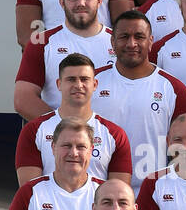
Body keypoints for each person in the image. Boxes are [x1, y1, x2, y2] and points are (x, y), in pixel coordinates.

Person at [92, 9, 186, 190]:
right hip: (99, 193)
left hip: (154, 193)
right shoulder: (92, 83)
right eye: (124, 37)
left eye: (139, 36)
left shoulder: (174, 89)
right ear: (112, 42)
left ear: (150, 41)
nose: (132, 43)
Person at [14, 52, 132, 186]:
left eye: (84, 79)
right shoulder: (34, 131)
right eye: (71, 79)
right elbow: (30, 193)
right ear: (59, 84)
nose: (78, 85)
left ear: (95, 84)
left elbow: (119, 194)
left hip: (96, 207)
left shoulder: (115, 135)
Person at [14, 0, 115, 119]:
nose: (81, 3)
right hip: (63, 139)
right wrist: (64, 129)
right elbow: (23, 99)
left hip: (111, 138)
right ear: (62, 2)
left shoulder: (119, 42)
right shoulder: (42, 42)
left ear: (99, 1)